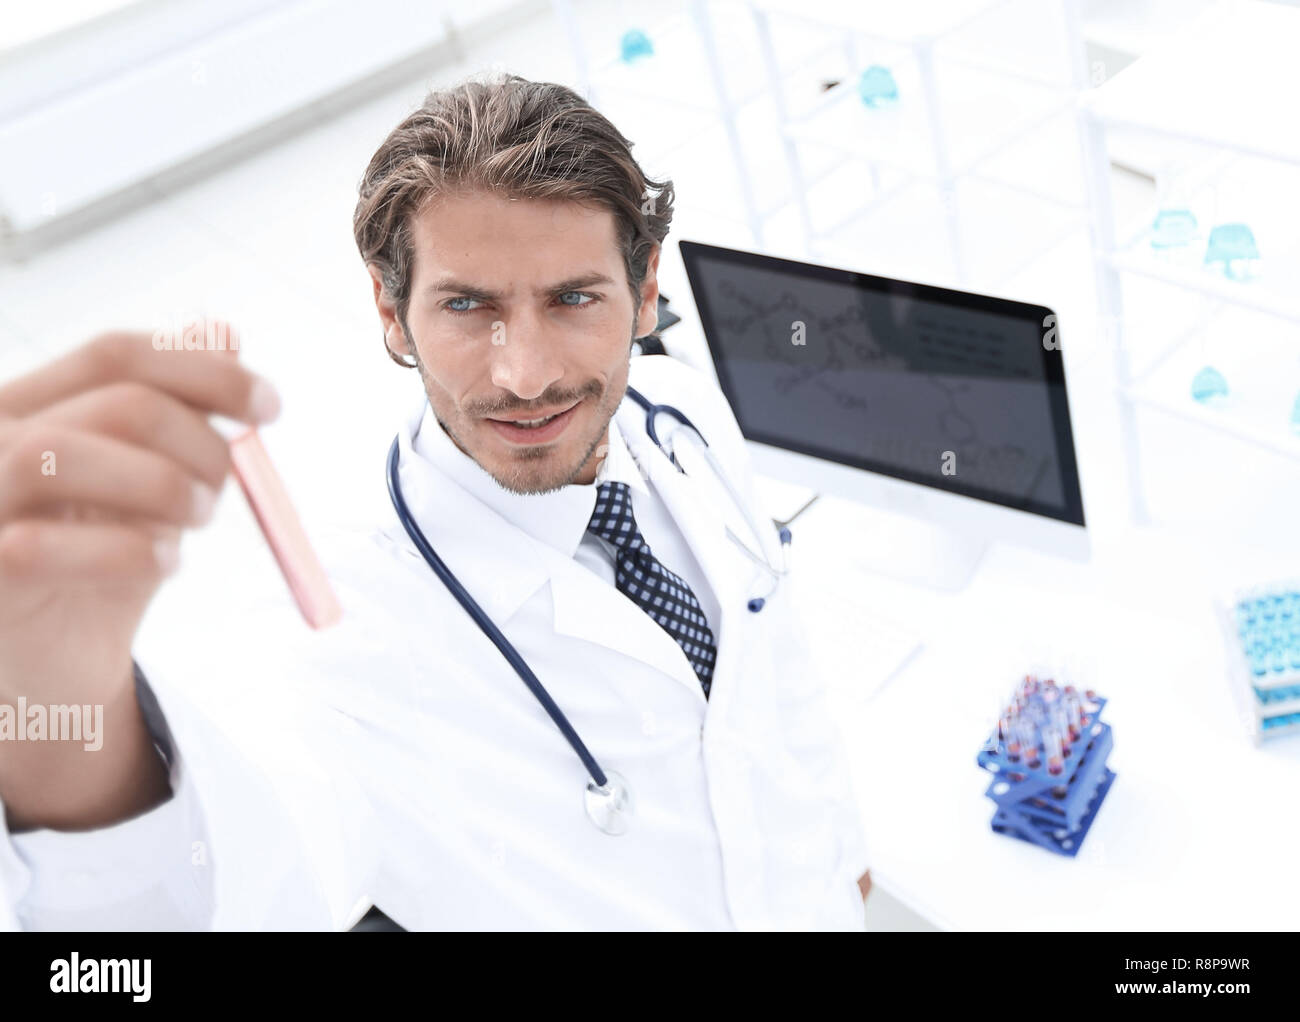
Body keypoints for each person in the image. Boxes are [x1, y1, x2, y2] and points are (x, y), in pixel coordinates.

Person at [0, 73, 872, 930]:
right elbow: (197, 899)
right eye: (466, 305)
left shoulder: (685, 415)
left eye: (573, 298)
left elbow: (776, 660)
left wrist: (843, 858)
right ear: (391, 311)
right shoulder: (342, 633)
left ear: (643, 297)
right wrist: (65, 716)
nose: (524, 374)